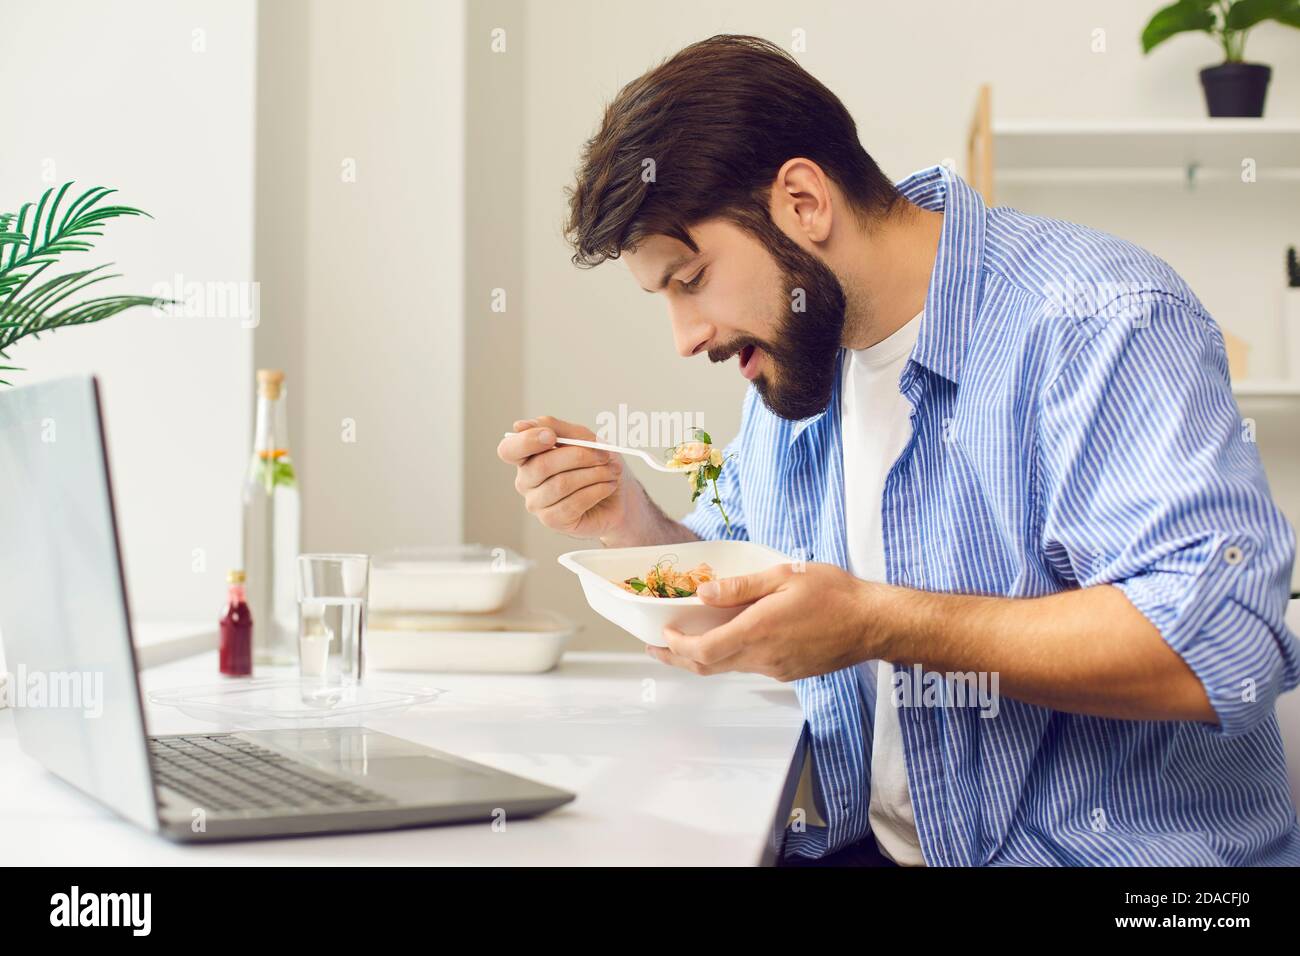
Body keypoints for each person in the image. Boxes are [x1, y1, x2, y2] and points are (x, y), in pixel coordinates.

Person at [496, 35, 1300, 866]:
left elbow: (1224, 644)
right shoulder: (798, 362)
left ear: (803, 202)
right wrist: (627, 520)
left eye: (691, 279)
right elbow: (748, 597)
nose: (685, 335)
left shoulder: (1099, 320)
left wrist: (881, 623)